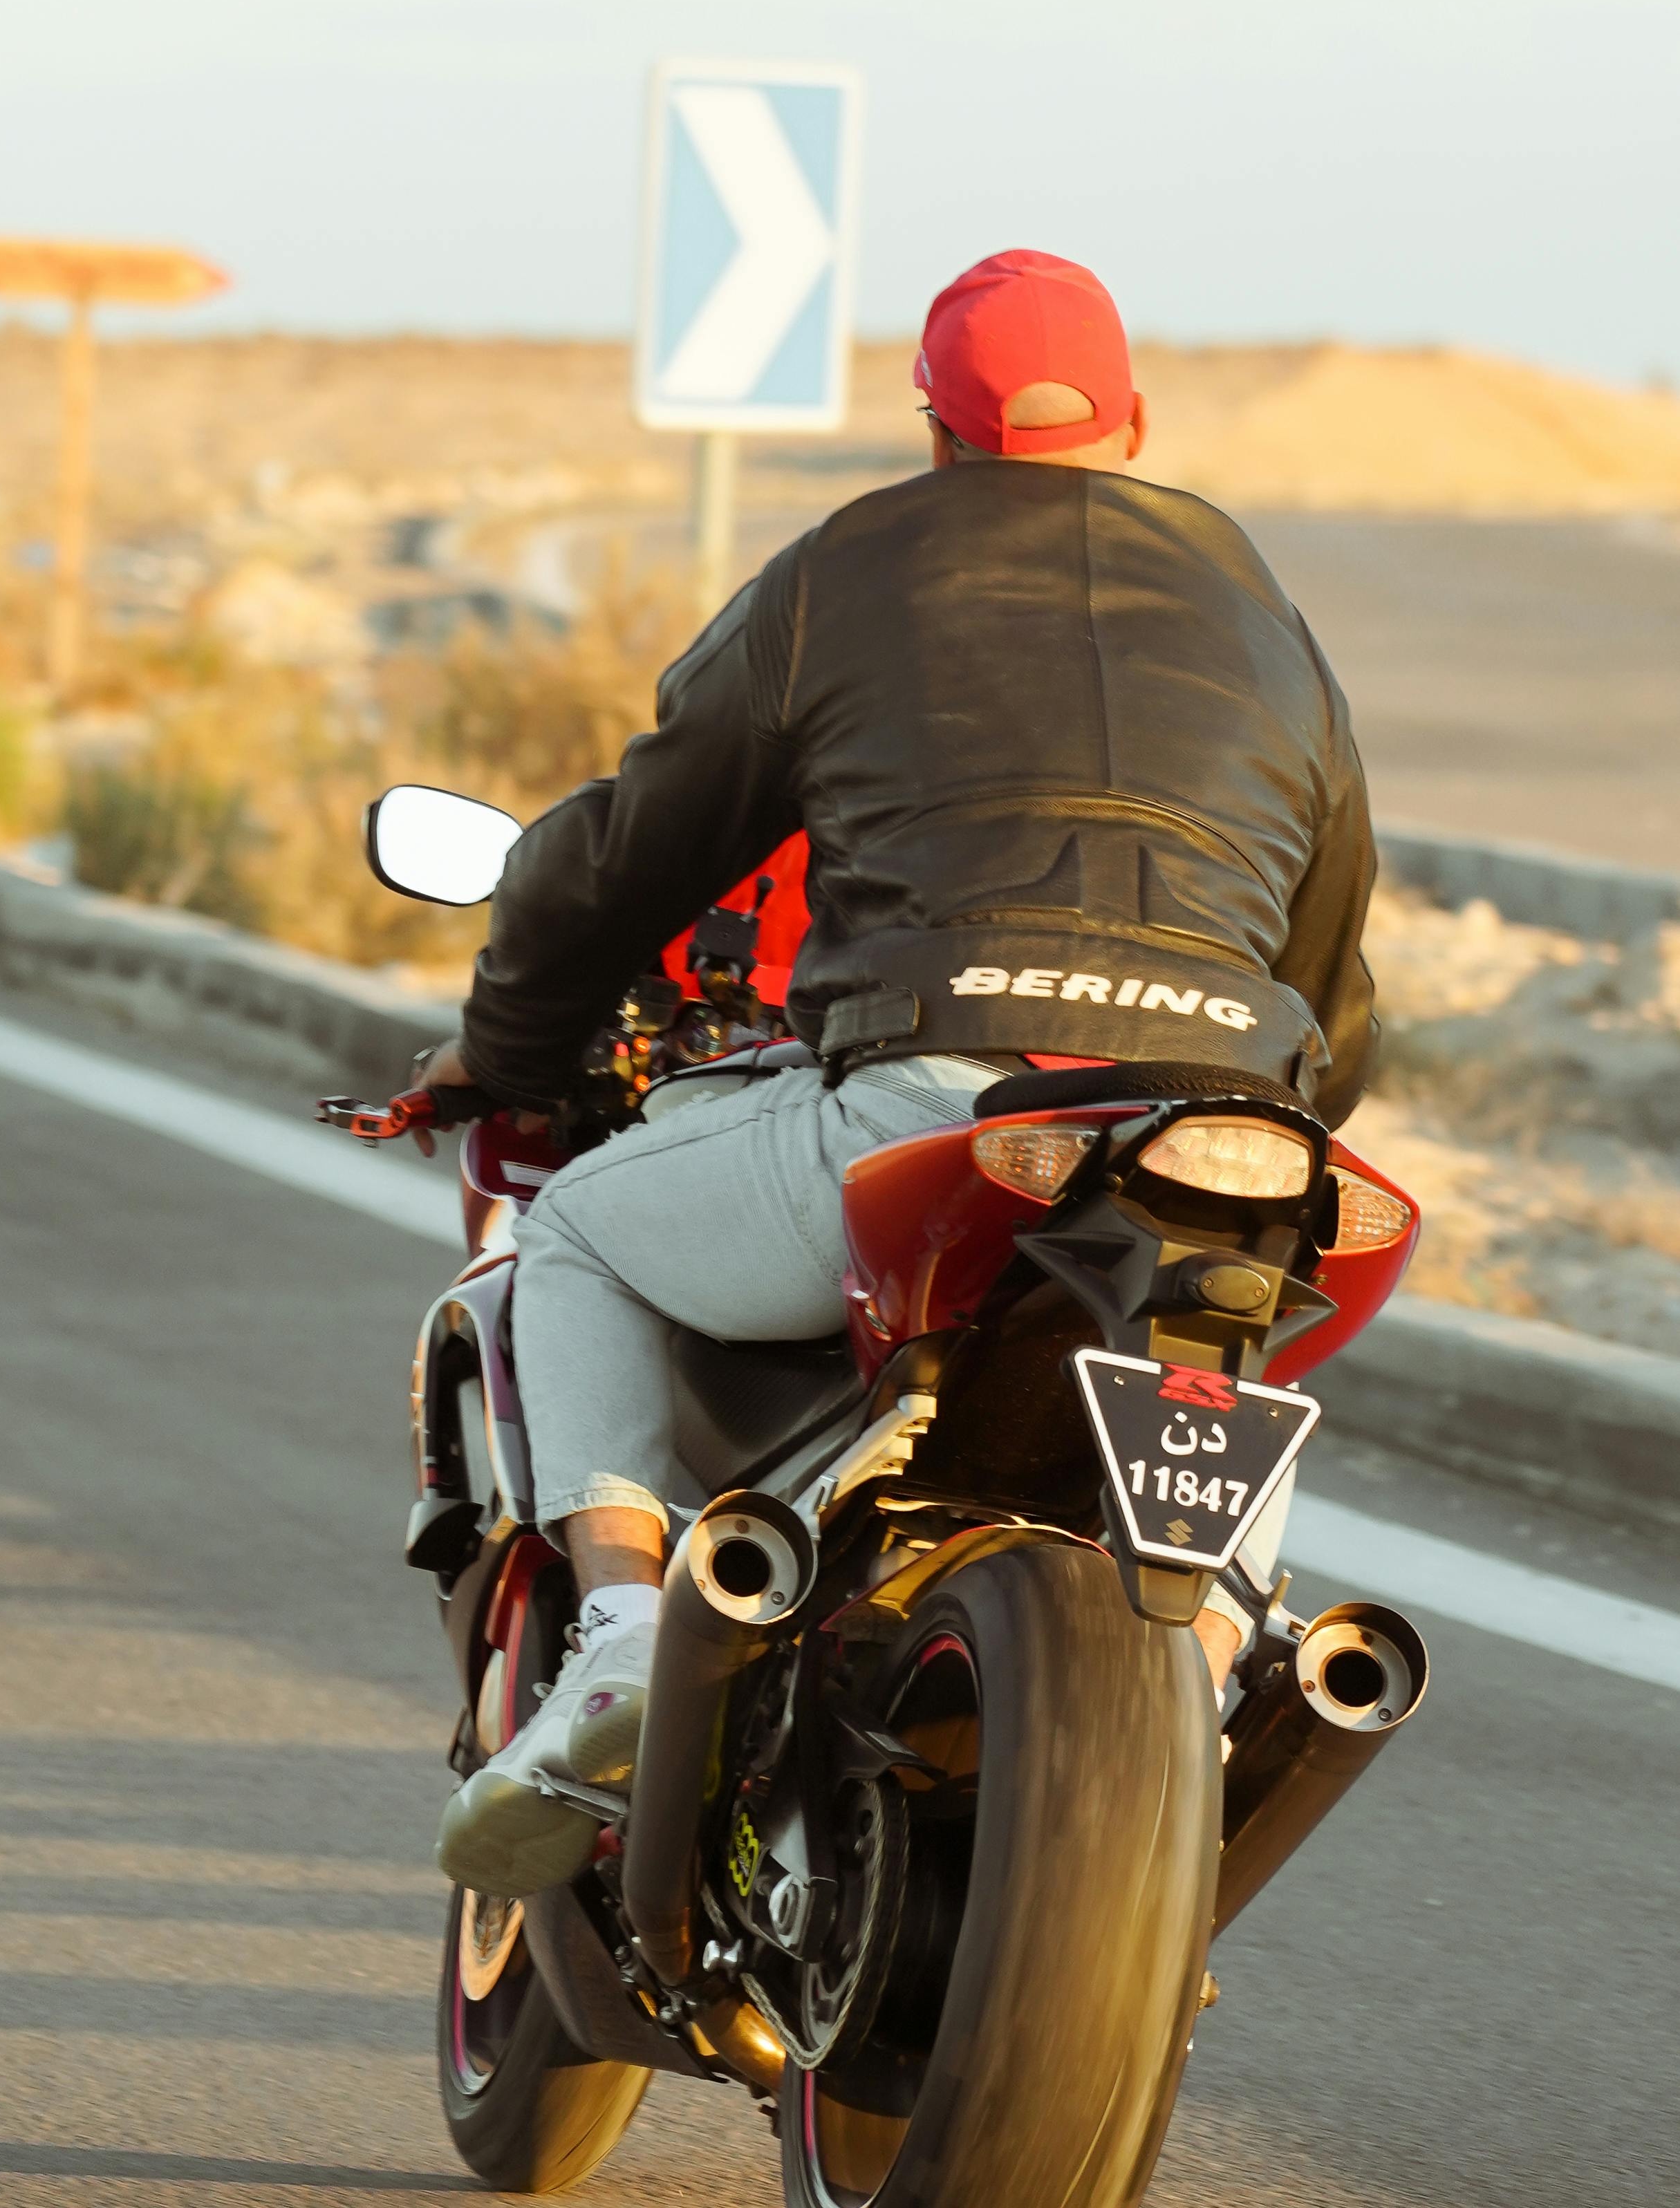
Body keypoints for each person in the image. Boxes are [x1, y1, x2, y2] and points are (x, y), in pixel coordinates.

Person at [423, 246, 1379, 1897]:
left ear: (933, 428)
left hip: (938, 1101)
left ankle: (625, 1636)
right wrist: (1278, 1092)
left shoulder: (846, 571)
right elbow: (1328, 946)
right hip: (1219, 1115)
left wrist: (500, 1050)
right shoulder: (1258, 609)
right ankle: (1213, 1666)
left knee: (573, 1229)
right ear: (1133, 414)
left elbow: (625, 853)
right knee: (1230, 1343)